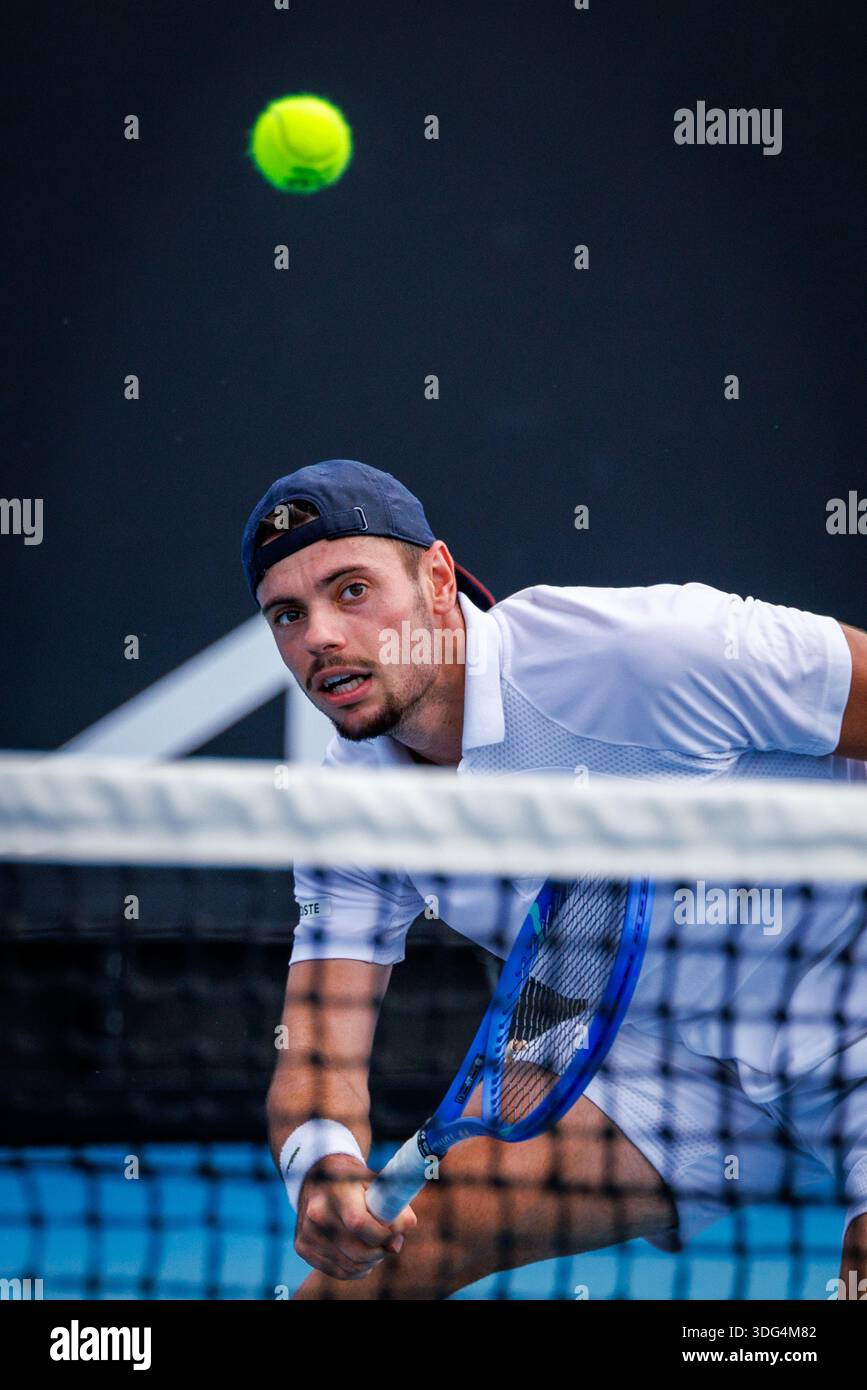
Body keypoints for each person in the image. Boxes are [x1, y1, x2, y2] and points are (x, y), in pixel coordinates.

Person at [241, 458, 867, 1299]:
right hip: (664, 1057)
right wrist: (321, 1168)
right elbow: (319, 1039)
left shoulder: (649, 651)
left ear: (435, 578)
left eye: (350, 591)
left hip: (851, 995)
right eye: (287, 614)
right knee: (390, 1265)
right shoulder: (347, 804)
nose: (318, 635)